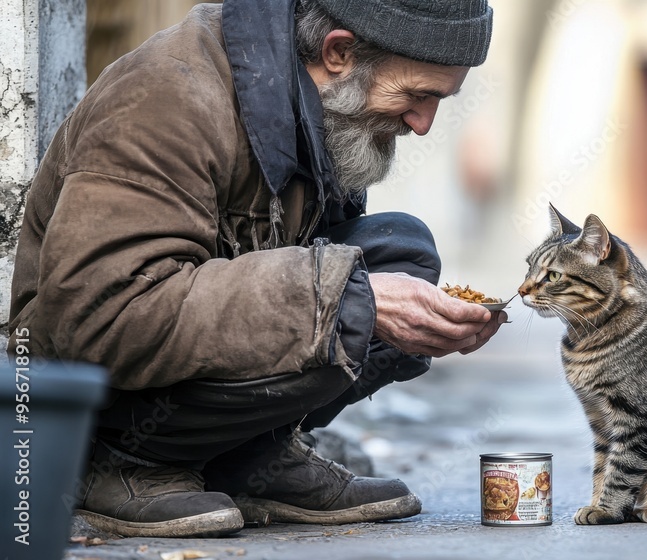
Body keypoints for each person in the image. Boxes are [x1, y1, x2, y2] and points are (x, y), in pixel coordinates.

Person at [6, 0, 500, 538]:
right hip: (87, 394)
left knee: (402, 255)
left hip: (185, 358)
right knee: (356, 298)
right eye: (416, 95)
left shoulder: (319, 97)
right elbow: (104, 316)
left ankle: (249, 458)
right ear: (338, 52)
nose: (423, 124)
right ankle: (115, 464)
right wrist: (346, 300)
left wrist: (358, 297)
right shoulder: (168, 94)